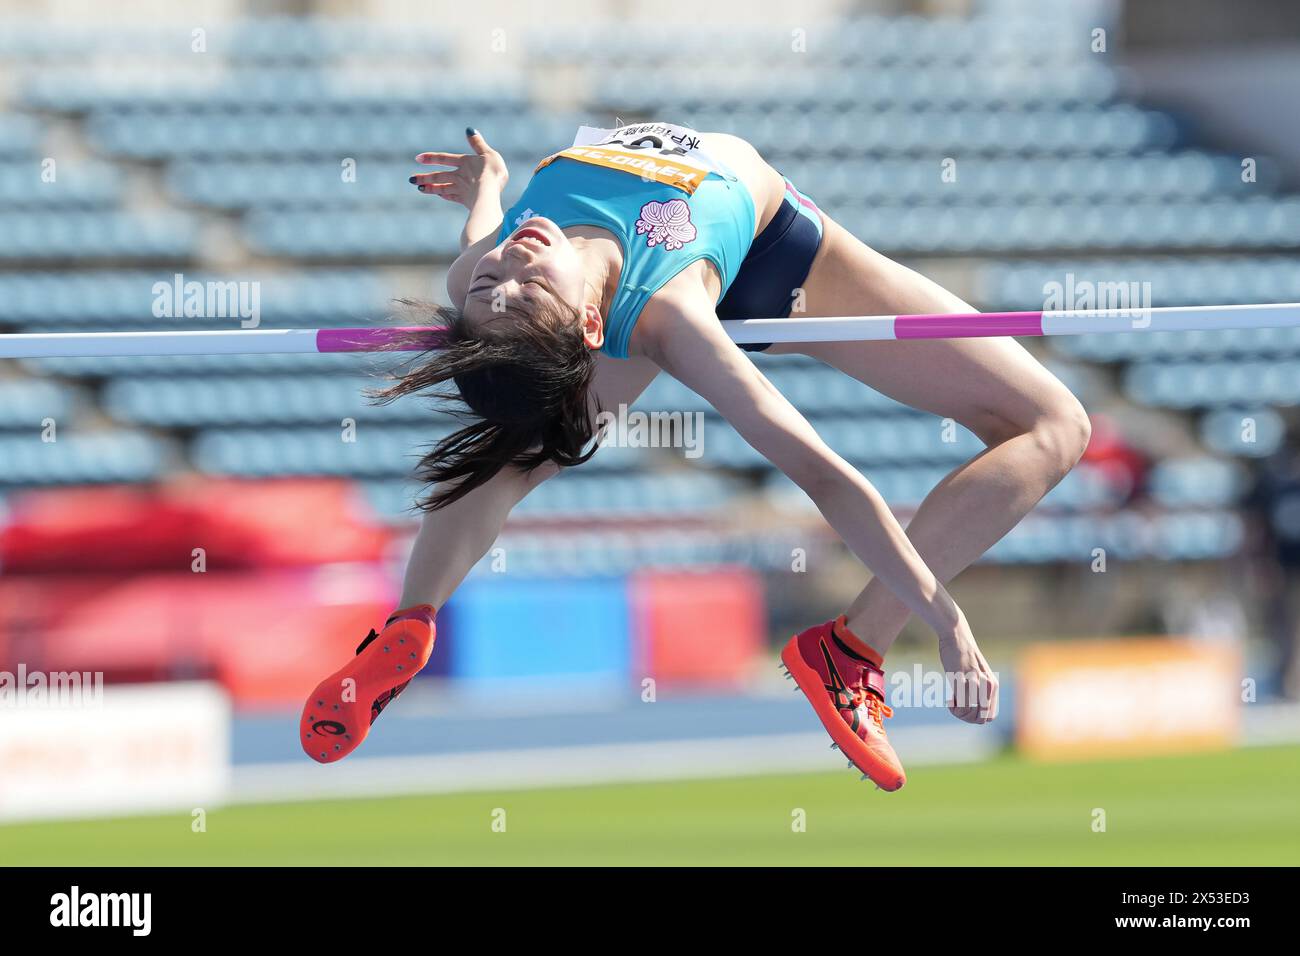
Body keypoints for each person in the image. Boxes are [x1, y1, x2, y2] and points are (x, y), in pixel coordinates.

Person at [300, 122, 1092, 790]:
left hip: (667, 263)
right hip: (786, 262)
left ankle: (413, 616)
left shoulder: (479, 267)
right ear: (585, 328)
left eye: (497, 279)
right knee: (1057, 424)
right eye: (520, 281)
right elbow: (823, 473)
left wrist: (488, 189)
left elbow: (484, 245)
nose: (511, 261)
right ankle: (852, 649)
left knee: (520, 446)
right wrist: (947, 622)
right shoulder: (671, 319)